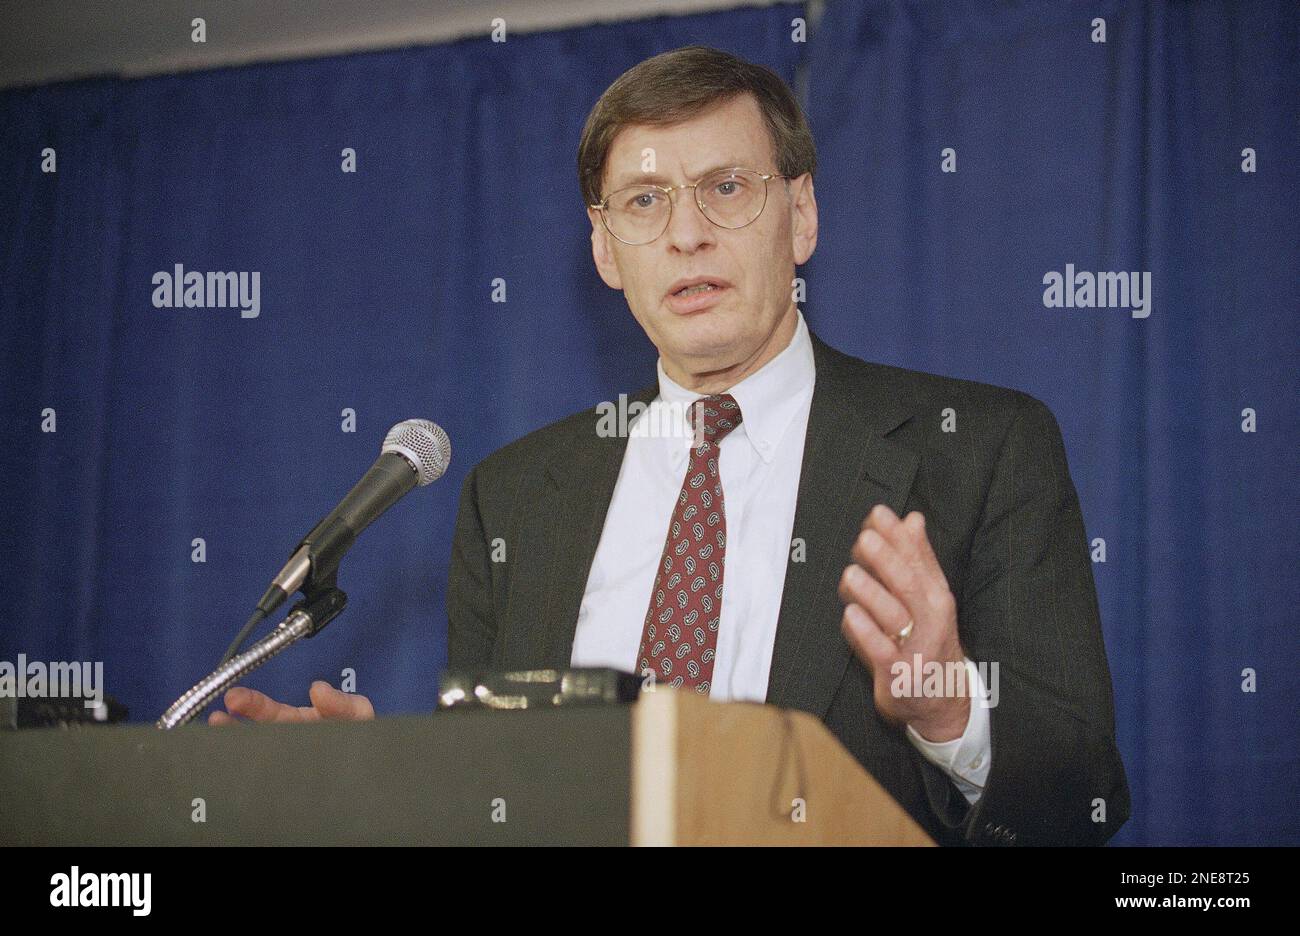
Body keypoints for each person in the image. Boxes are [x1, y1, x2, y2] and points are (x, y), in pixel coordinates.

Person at [212, 46, 1129, 846]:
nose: (686, 234)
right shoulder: (517, 497)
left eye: (726, 188)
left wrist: (949, 710)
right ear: (606, 250)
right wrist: (382, 793)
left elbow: (1082, 796)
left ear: (801, 216)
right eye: (644, 201)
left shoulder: (980, 450)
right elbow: (499, 806)